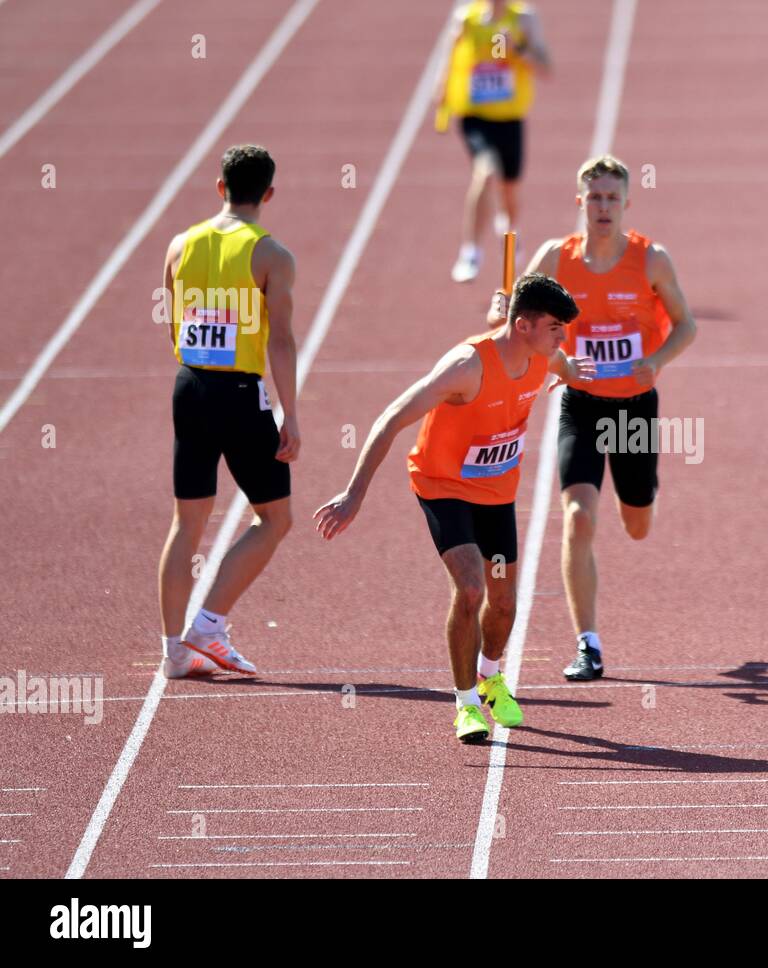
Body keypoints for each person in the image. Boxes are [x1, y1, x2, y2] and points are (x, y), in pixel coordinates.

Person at [314, 273, 591, 743]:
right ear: (523, 325)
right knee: (470, 588)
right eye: (555, 328)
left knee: (503, 601)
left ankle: (490, 675)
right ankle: (465, 703)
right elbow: (391, 418)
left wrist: (571, 372)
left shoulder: (545, 356)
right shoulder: (466, 367)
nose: (562, 338)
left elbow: (560, 363)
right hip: (443, 485)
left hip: (497, 494)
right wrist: (354, 493)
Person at [515, 154, 697, 681]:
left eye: (611, 197)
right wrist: (554, 357)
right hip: (582, 406)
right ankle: (588, 644)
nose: (602, 206)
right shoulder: (555, 258)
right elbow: (518, 320)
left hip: (635, 407)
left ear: (626, 204)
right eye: (593, 197)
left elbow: (685, 325)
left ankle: (640, 496)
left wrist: (657, 361)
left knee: (636, 523)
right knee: (577, 517)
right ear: (579, 202)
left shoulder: (650, 260)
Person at [158, 144, 299, 679]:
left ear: (220, 187)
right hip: (240, 395)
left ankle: (175, 650)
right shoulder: (272, 255)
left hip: (189, 387)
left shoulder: (180, 244)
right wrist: (291, 416)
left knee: (186, 523)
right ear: (267, 193)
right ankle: (209, 626)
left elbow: (173, 324)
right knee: (275, 517)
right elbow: (281, 342)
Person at [437, 0, 551, 282]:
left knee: (509, 191)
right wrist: (441, 95)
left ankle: (510, 229)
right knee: (485, 172)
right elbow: (450, 57)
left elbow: (546, 68)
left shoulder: (524, 20)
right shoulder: (467, 19)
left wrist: (518, 50)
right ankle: (470, 251)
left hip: (510, 118)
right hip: (475, 117)